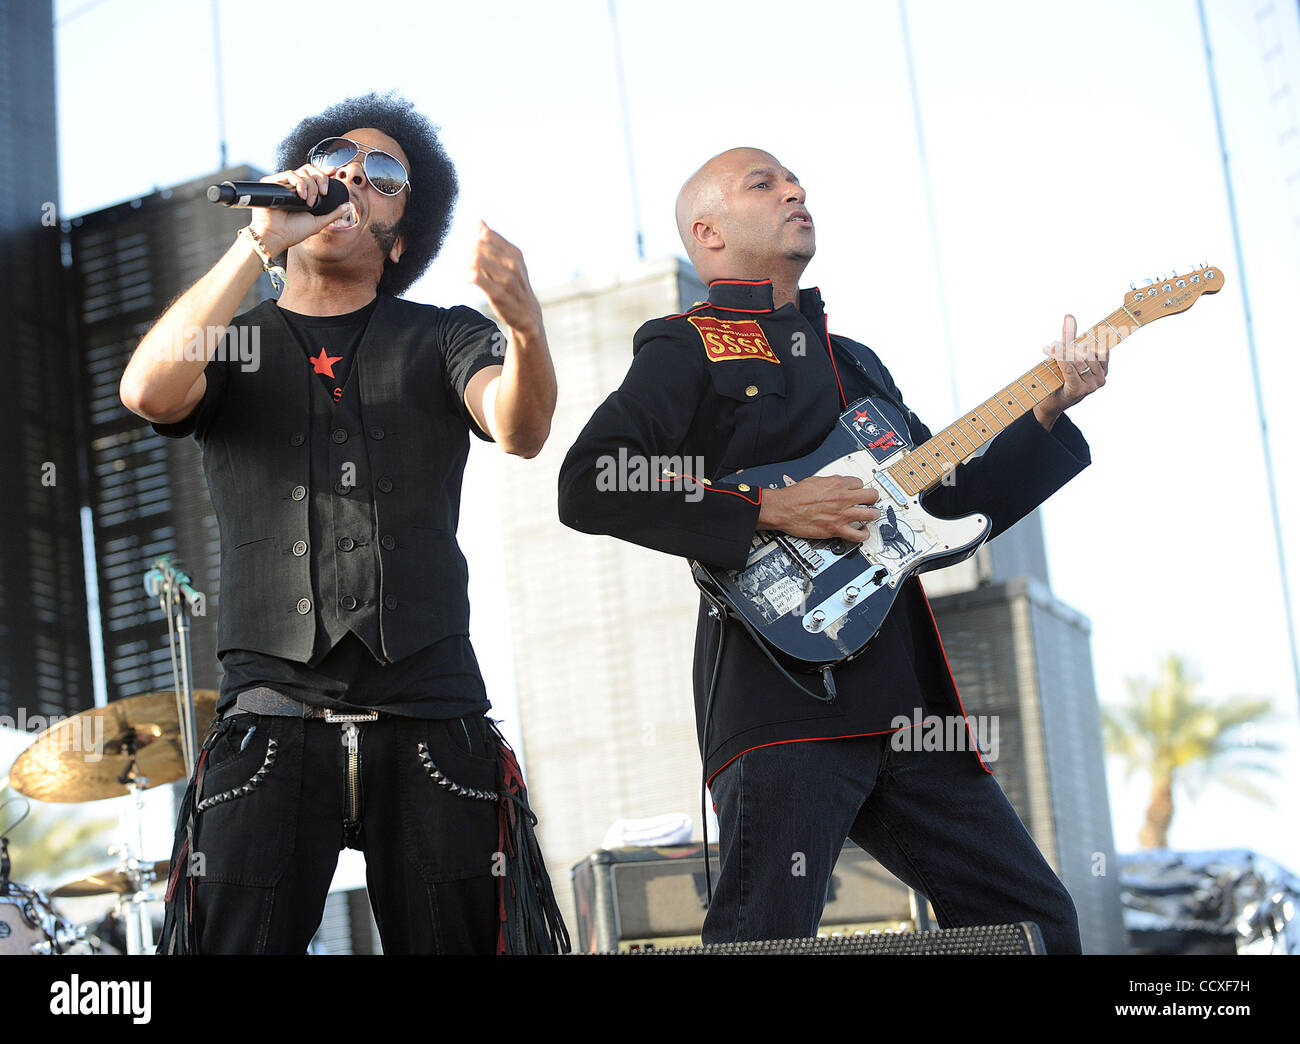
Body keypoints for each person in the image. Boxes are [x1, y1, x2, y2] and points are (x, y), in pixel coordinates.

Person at [557, 147, 1108, 952]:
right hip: (783, 698)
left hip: (906, 704)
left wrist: (1049, 411)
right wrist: (765, 506)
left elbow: (946, 509)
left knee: (1032, 922)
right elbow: (593, 479)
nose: (795, 190)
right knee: (763, 935)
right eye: (765, 183)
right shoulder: (688, 345)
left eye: (795, 181)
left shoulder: (855, 361)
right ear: (707, 233)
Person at [120, 93, 564, 954]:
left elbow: (521, 427)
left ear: (400, 236)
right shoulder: (235, 338)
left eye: (384, 175)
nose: (354, 175)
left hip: (432, 714)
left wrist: (525, 330)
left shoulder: (444, 337)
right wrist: (257, 244)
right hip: (270, 716)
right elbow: (147, 391)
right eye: (337, 160)